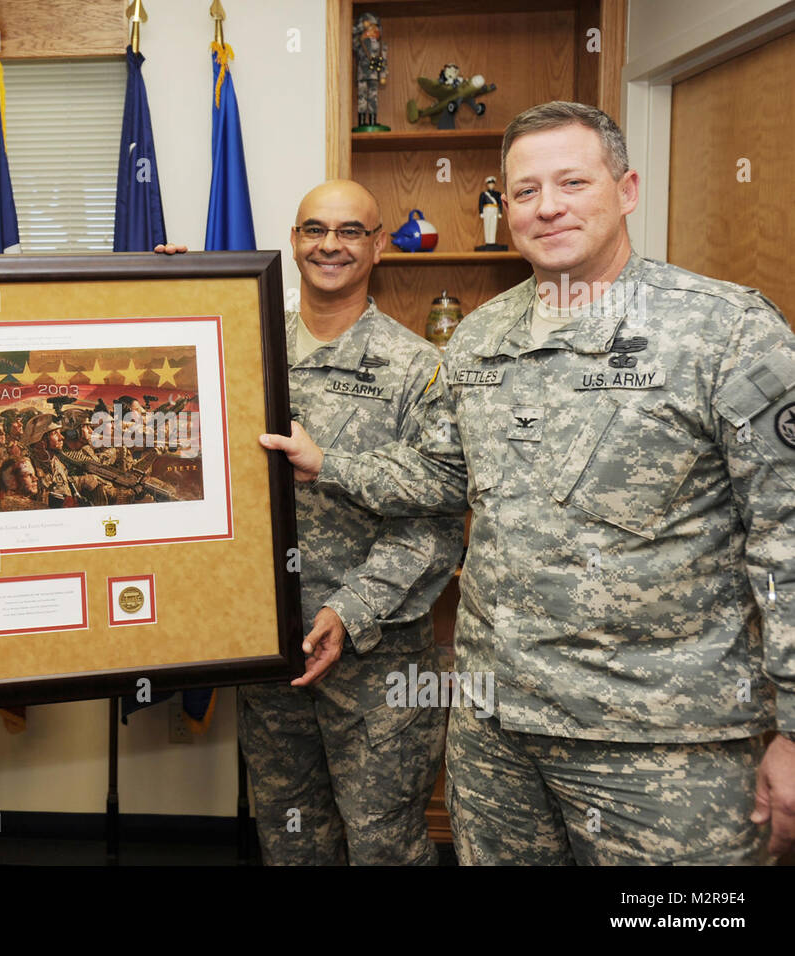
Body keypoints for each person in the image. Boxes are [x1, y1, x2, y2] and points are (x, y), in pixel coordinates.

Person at [263, 101, 795, 864]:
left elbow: (788, 533)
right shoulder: (480, 338)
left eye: (572, 182)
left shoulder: (727, 332)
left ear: (627, 189)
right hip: (496, 732)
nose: (548, 207)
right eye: (523, 191)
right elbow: (442, 479)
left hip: (663, 748)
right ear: (503, 207)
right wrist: (329, 464)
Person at [162, 180, 463, 864]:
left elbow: (438, 520)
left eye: (351, 231)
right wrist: (166, 296)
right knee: (291, 840)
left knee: (384, 844)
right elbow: (179, 436)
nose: (331, 244)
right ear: (293, 241)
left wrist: (349, 610)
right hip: (272, 649)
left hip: (374, 657)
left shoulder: (418, 369)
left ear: (379, 245)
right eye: (314, 229)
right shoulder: (246, 346)